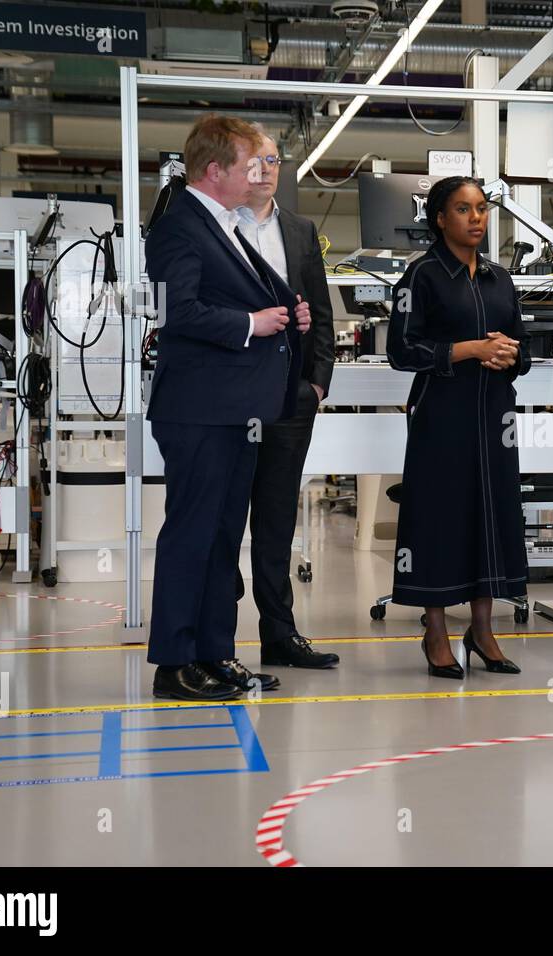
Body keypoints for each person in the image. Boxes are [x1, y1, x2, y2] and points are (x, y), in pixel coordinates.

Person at [145, 115, 311, 701]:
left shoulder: (225, 227)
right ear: (215, 171)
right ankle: (175, 662)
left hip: (237, 410)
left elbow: (256, 295)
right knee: (193, 534)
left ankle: (214, 653)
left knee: (221, 537)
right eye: (250, 166)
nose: (260, 174)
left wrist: (289, 313)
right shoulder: (179, 229)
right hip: (198, 410)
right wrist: (252, 322)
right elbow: (178, 313)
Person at [386, 176, 530, 679]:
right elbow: (402, 352)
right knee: (439, 518)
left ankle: (483, 628)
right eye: (463, 209)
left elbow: (522, 346)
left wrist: (510, 352)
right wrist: (470, 350)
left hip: (495, 415)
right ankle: (435, 631)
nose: (476, 218)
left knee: (489, 514)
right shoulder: (421, 277)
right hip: (439, 415)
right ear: (440, 218)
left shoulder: (499, 277)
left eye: (482, 209)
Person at [234, 129, 339, 670]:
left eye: (273, 160)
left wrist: (316, 385)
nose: (267, 169)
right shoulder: (219, 226)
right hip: (229, 400)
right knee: (225, 519)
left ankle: (279, 634)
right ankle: (215, 641)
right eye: (255, 160)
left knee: (276, 521)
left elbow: (321, 314)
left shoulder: (300, 230)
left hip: (289, 400)